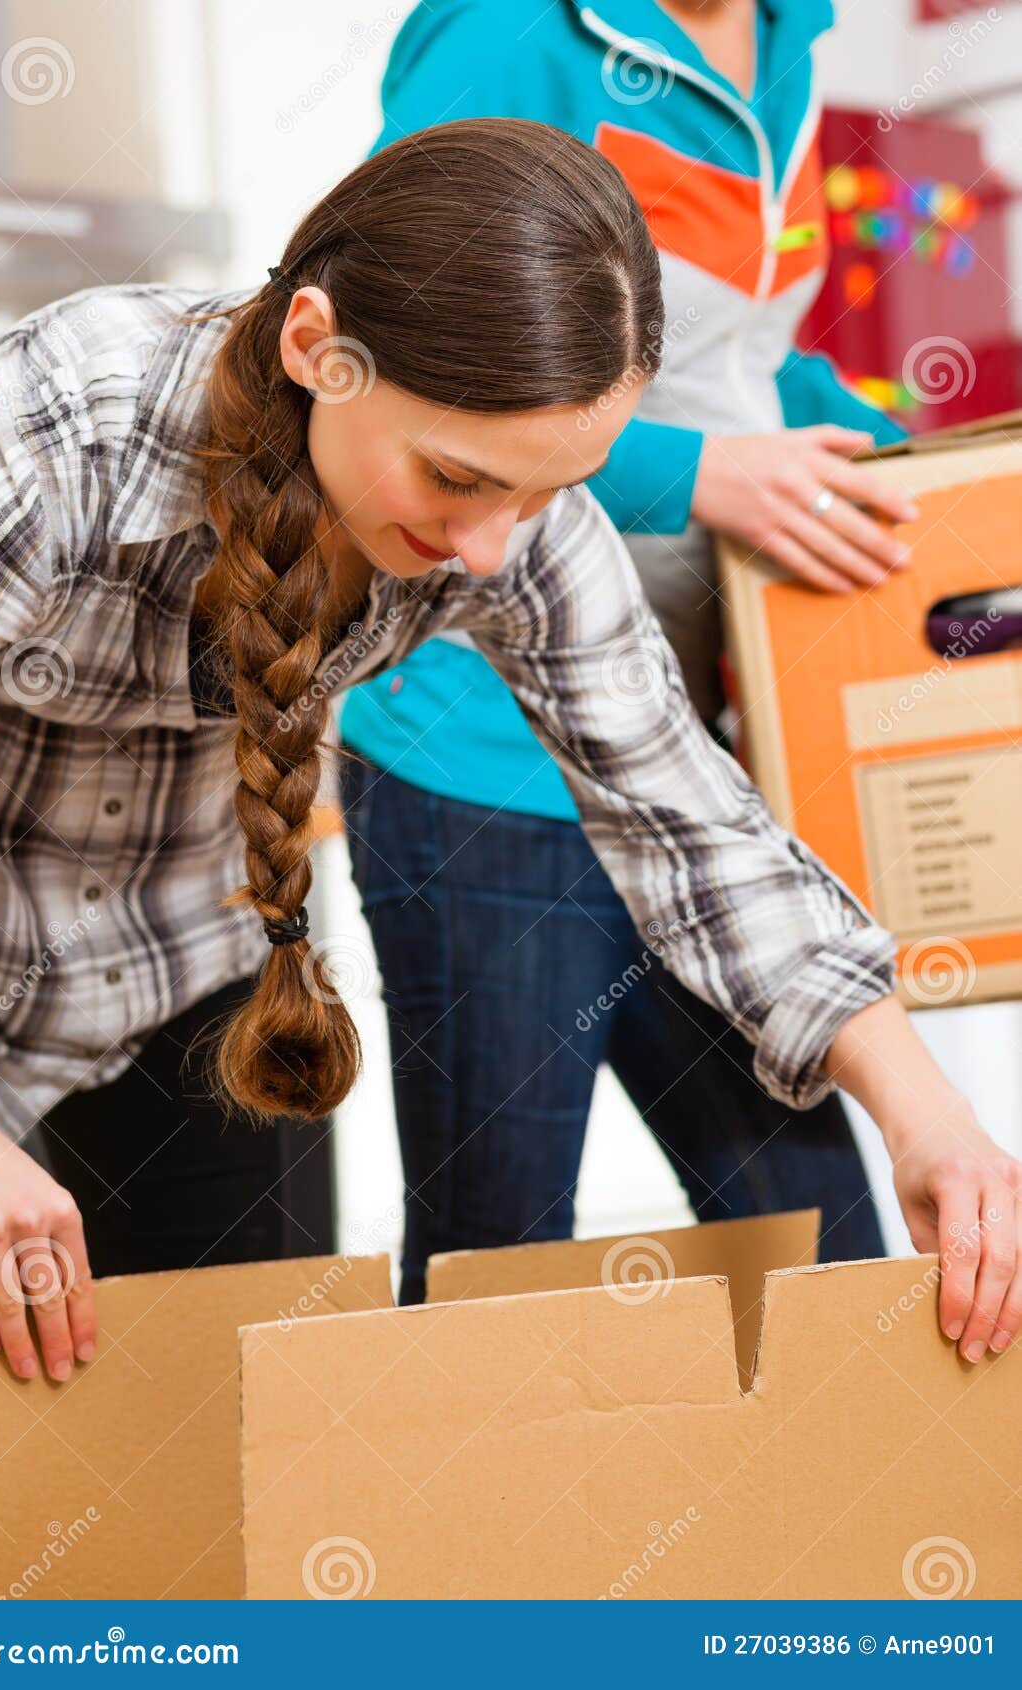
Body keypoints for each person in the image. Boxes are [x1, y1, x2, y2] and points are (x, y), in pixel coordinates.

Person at [0, 120, 1016, 1393]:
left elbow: (694, 828)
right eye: (455, 477)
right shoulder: (57, 432)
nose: (492, 552)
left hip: (187, 986)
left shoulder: (517, 528)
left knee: (215, 1476)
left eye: (539, 493)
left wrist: (929, 1116)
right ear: (315, 347)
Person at [340, 0, 917, 1295]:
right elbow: (411, 352)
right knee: (499, 1266)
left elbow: (737, 367)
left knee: (819, 1241)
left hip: (682, 749)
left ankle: (854, 1504)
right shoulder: (502, 37)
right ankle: (474, 1507)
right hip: (480, 750)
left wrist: (902, 459)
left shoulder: (787, 50)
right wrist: (699, 476)